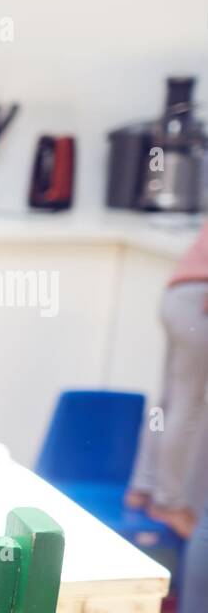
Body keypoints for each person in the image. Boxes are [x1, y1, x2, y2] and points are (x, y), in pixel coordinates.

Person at [127, 225, 208, 539]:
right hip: (201, 300)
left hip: (178, 295)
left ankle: (143, 487)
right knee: (188, 404)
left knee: (171, 400)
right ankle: (169, 503)